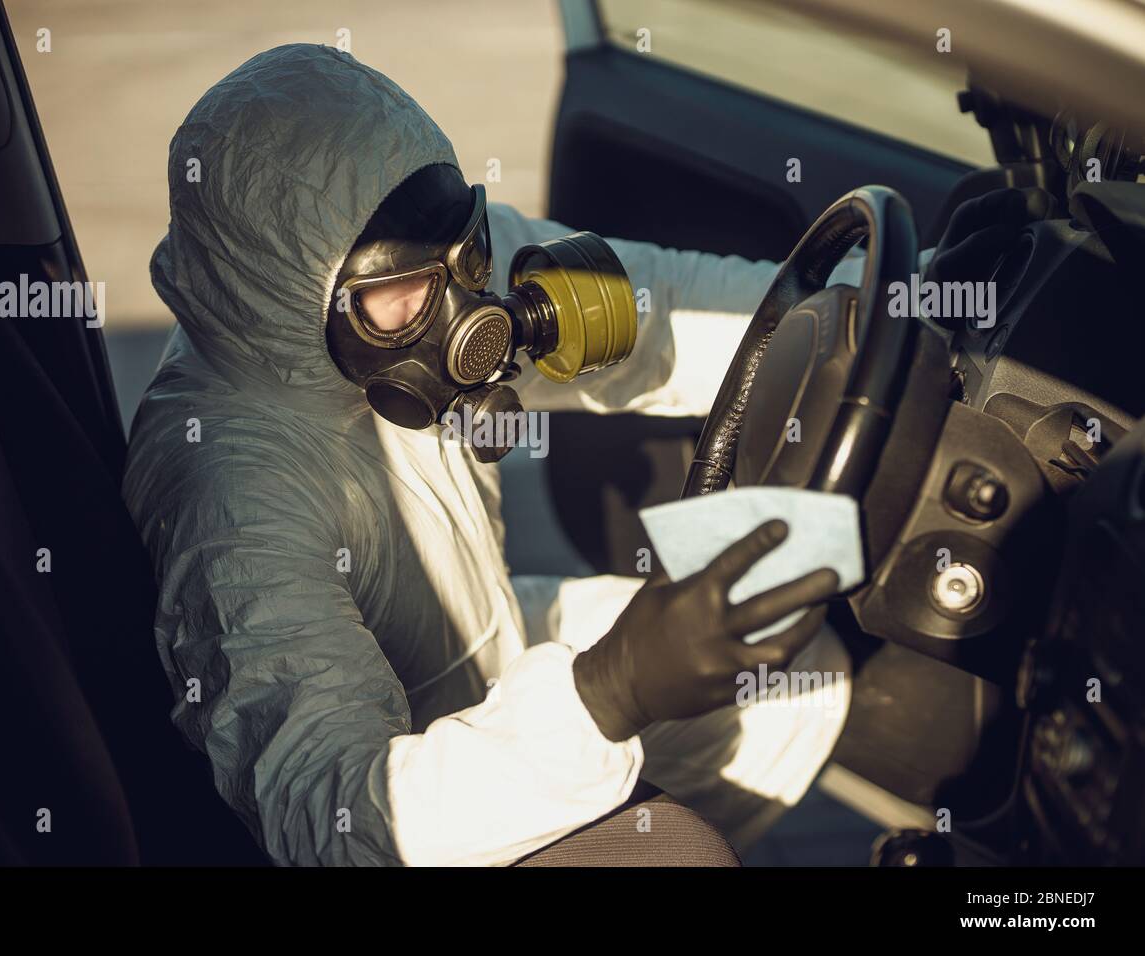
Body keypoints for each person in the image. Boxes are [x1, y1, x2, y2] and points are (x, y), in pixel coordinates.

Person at [123, 43, 1040, 865]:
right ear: (296, 299)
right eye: (403, 296)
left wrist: (901, 300)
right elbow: (336, 817)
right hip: (417, 785)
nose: (464, 319)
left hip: (485, 642)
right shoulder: (231, 489)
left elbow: (670, 311)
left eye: (468, 256)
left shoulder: (431, 262)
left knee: (791, 672)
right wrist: (609, 692)